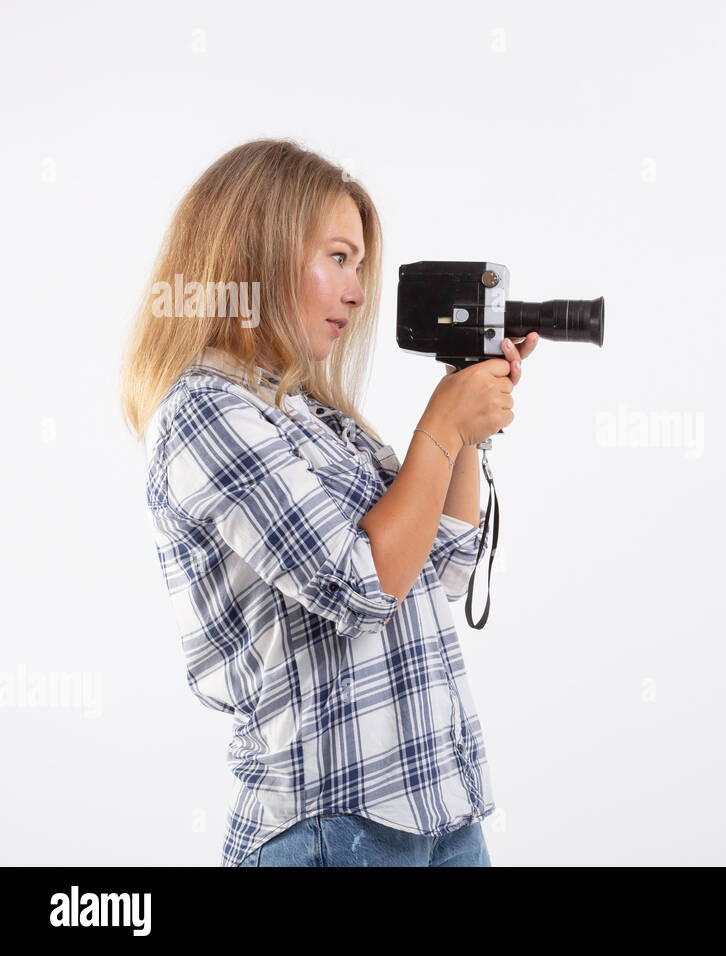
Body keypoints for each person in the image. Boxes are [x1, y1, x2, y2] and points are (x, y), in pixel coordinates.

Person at [119, 138, 539, 866]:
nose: (357, 290)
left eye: (361, 267)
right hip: (332, 827)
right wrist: (440, 423)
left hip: (439, 810)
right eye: (338, 258)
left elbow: (439, 569)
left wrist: (467, 425)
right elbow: (363, 583)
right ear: (257, 254)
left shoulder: (317, 417)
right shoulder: (204, 413)